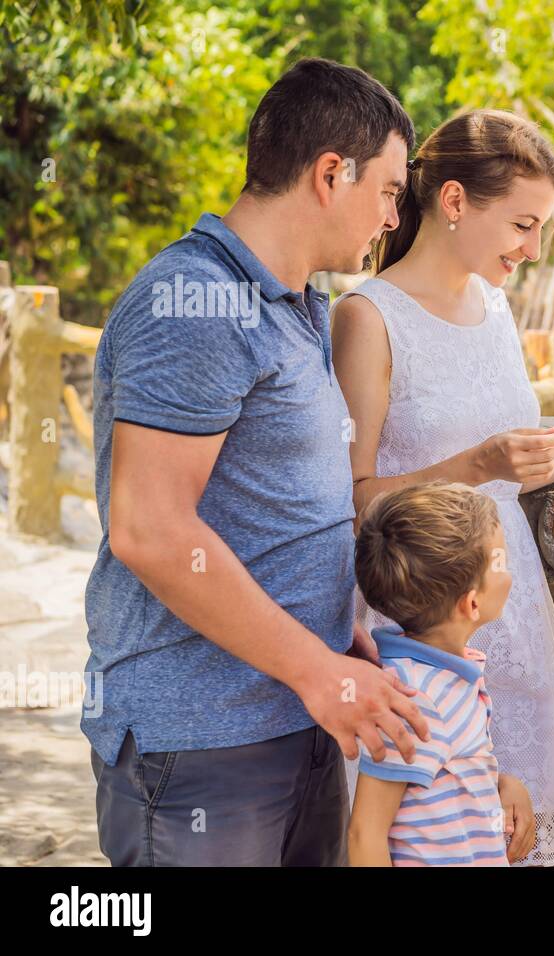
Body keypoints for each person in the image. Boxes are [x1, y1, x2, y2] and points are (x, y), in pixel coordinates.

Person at [84, 58, 432, 866]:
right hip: (201, 746)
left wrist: (333, 631)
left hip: (297, 716)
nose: (390, 218)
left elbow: (274, 502)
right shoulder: (196, 303)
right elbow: (150, 529)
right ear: (329, 174)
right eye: (387, 191)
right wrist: (314, 667)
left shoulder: (301, 302)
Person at [331, 108, 554, 865]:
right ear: (453, 202)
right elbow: (352, 500)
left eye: (541, 228)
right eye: (522, 224)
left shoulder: (497, 309)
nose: (533, 249)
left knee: (511, 837)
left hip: (510, 625)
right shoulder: (367, 318)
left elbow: (506, 465)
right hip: (421, 632)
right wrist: (476, 467)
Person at [348, 482, 517, 866]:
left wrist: (504, 785)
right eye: (502, 563)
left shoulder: (444, 673)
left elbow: (447, 770)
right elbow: (365, 834)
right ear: (472, 603)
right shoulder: (415, 697)